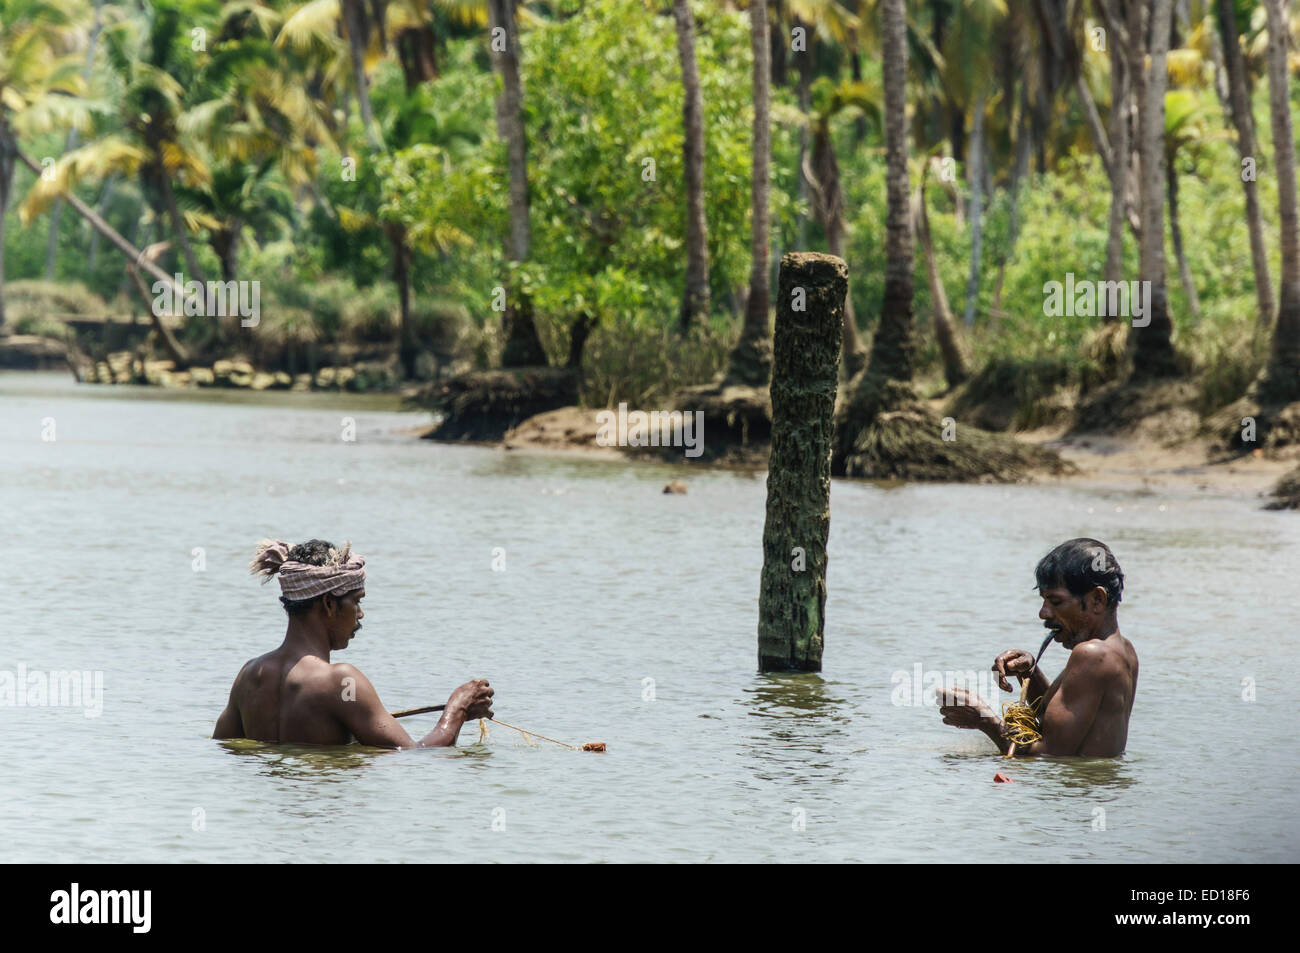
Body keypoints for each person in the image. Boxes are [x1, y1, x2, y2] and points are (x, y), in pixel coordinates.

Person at [213, 538, 494, 747]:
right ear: (328, 605)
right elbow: (414, 758)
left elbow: (224, 747)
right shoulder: (341, 681)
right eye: (356, 601)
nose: (360, 613)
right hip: (324, 815)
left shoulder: (249, 675)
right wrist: (456, 711)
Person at [936, 538, 1138, 757]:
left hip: (1076, 791)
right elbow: (1059, 724)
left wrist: (984, 718)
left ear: (1097, 599)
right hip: (1096, 790)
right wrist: (1029, 674)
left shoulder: (1092, 655)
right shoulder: (1124, 650)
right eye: (1044, 601)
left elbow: (1046, 754)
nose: (1043, 613)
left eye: (1056, 602)